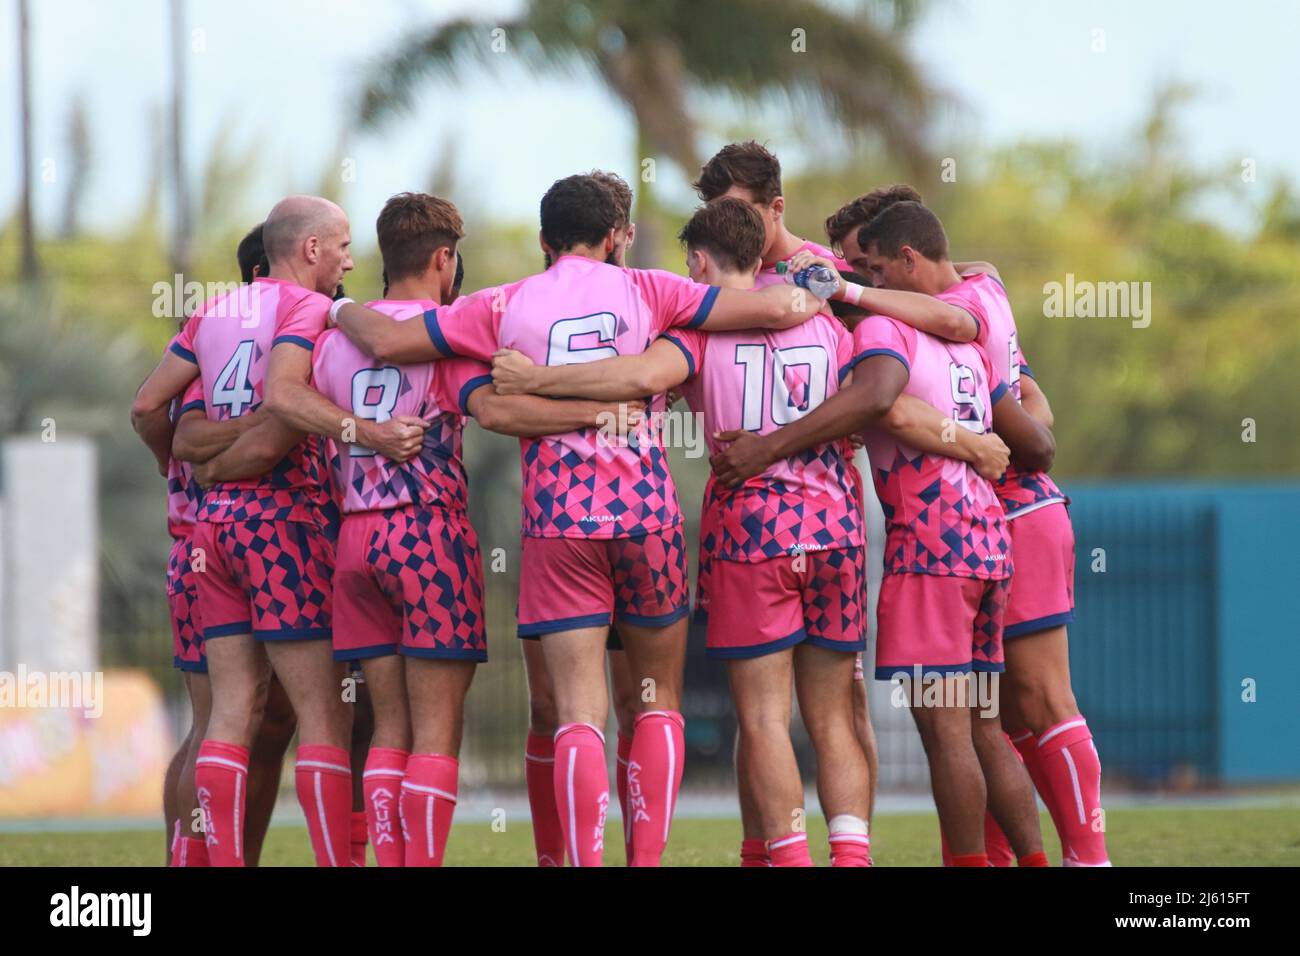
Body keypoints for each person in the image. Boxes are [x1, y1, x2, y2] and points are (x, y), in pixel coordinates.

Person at [331, 173, 828, 865]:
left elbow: (389, 343)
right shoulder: (652, 289)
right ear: (616, 235)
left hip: (559, 522)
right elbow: (775, 309)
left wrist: (339, 310)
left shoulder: (501, 303)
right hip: (647, 514)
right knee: (655, 702)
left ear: (543, 239)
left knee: (576, 714)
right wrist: (832, 284)